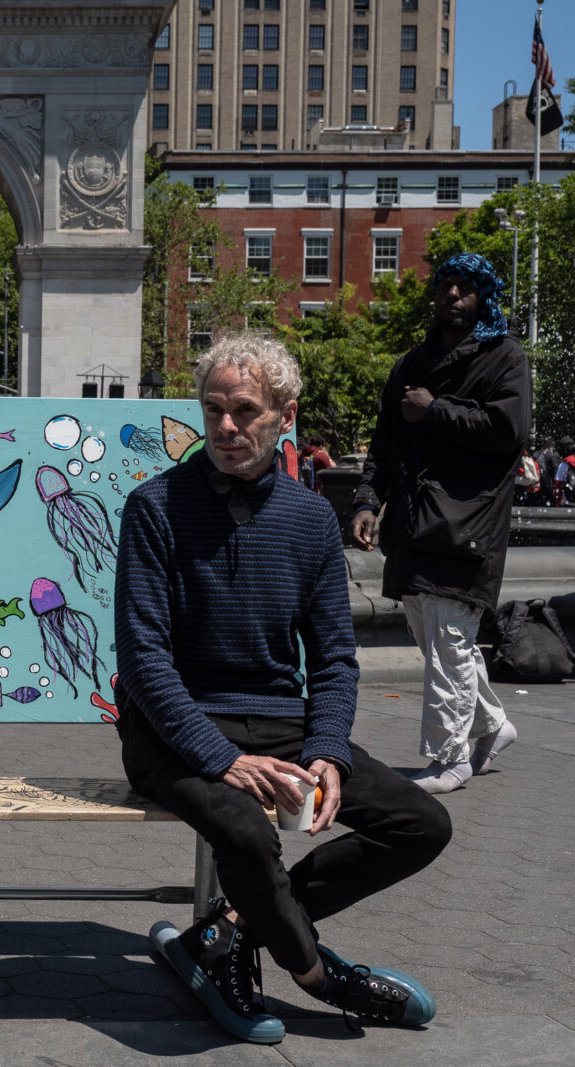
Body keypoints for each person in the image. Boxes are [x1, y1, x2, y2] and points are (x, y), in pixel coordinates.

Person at [118, 333, 449, 1044]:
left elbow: (333, 659)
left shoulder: (309, 520)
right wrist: (224, 760)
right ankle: (320, 976)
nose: (227, 428)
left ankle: (228, 932)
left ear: (285, 416)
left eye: (245, 411)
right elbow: (143, 660)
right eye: (213, 411)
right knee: (245, 828)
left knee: (421, 824)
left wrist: (328, 751)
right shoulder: (154, 508)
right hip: (169, 735)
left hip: (279, 725)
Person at [351, 253, 531, 795]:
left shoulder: (505, 357)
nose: (453, 296)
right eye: (446, 286)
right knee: (433, 637)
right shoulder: (411, 365)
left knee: (450, 637)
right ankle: (494, 726)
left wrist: (435, 410)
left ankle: (449, 759)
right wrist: (365, 500)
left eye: (466, 288)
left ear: (484, 298)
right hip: (411, 527)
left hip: (465, 525)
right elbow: (383, 445)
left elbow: (508, 431)